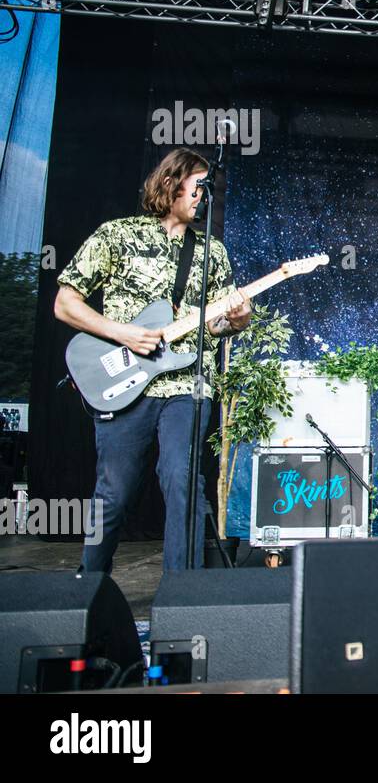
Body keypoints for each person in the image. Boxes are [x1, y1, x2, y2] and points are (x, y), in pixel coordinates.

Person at [54, 148, 252, 573]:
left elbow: (212, 328)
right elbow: (66, 303)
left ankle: (181, 598)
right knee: (114, 492)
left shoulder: (212, 252)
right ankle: (89, 590)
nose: (204, 194)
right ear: (170, 184)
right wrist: (121, 332)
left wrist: (236, 320)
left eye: (208, 187)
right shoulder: (117, 235)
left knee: (184, 484)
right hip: (125, 384)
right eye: (197, 186)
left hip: (185, 387)